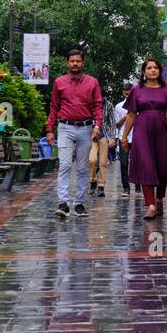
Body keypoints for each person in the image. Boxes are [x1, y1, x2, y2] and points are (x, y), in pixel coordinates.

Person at [119, 58, 167, 220]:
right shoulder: (136, 90)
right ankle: (151, 206)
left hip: (161, 130)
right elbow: (132, 115)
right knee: (146, 164)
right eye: (149, 68)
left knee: (162, 166)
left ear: (160, 71)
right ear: (143, 72)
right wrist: (124, 137)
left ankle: (159, 198)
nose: (152, 70)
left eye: (155, 67)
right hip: (141, 130)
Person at [45, 47, 103, 218]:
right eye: (72, 61)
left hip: (86, 128)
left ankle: (79, 203)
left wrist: (97, 125)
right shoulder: (59, 82)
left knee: (84, 168)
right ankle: (63, 203)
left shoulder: (92, 82)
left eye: (78, 61)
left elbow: (98, 105)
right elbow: (54, 107)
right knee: (64, 165)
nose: (75, 63)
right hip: (65, 127)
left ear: (83, 63)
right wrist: (49, 129)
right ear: (67, 63)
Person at [87, 93, 117, 199]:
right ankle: (93, 180)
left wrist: (112, 137)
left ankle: (101, 187)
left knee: (103, 163)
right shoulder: (90, 104)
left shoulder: (108, 105)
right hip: (92, 136)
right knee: (92, 160)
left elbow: (112, 122)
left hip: (105, 136)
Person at [114, 89, 132, 196]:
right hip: (123, 138)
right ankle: (126, 187)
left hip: (136, 137)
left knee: (138, 162)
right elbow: (117, 125)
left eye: (129, 93)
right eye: (125, 93)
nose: (127, 95)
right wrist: (125, 118)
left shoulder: (138, 105)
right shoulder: (119, 107)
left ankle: (139, 184)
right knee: (124, 163)